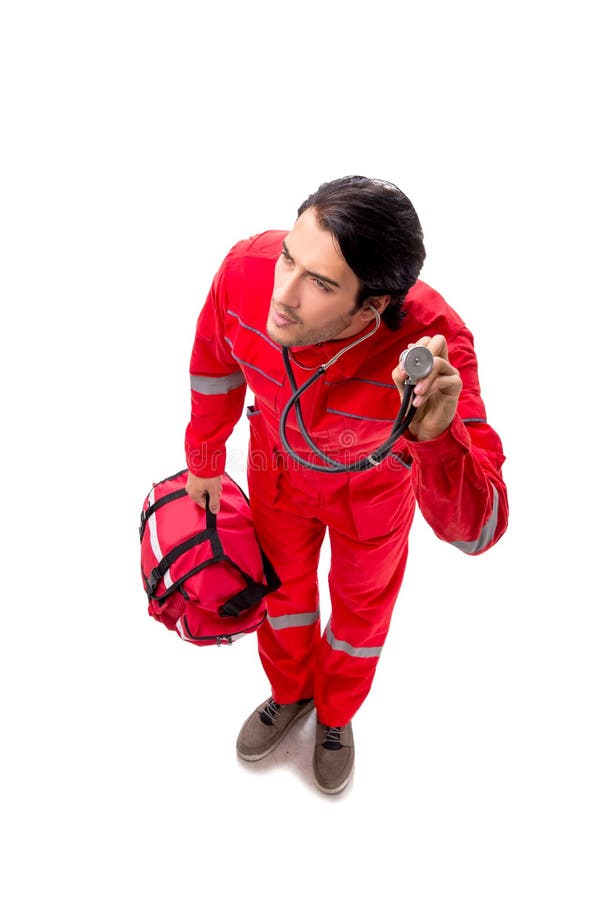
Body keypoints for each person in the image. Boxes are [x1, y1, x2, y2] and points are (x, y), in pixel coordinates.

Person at [184, 176, 508, 794]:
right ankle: (289, 694)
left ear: (372, 308)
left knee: (359, 618)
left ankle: (334, 716)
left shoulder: (436, 346)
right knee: (285, 598)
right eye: (290, 258)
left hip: (374, 493)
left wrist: (438, 440)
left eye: (321, 283)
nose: (283, 294)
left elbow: (480, 530)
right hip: (275, 473)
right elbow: (214, 363)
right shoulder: (245, 271)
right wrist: (204, 455)